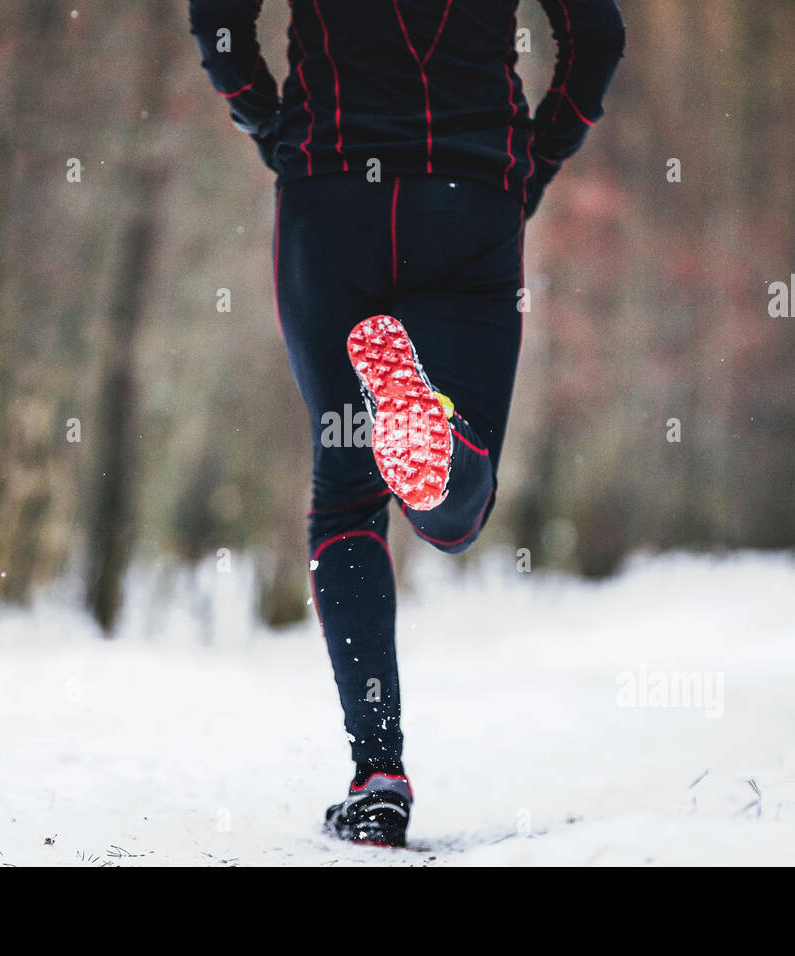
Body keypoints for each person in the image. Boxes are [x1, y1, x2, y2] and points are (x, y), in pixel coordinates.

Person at [190, 0, 624, 847]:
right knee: (456, 510)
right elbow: (597, 36)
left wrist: (267, 121)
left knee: (347, 498)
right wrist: (532, 162)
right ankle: (441, 457)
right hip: (469, 200)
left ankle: (378, 773)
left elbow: (219, 17)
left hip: (331, 195)